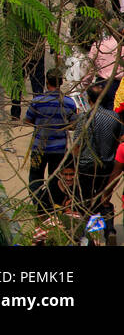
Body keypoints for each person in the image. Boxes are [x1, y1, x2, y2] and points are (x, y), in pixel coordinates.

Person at [72, 79, 123, 242]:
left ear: (89, 99)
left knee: (87, 201)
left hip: (86, 166)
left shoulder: (84, 118)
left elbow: (76, 147)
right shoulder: (114, 118)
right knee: (104, 198)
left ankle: (92, 235)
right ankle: (110, 231)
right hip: (106, 166)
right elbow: (120, 139)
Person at [26, 72, 77, 214]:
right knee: (55, 179)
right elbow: (73, 124)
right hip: (59, 150)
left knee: (35, 178)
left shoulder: (38, 101)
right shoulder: (68, 102)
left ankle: (39, 205)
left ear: (47, 82)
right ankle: (53, 206)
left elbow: (28, 120)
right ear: (60, 83)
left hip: (39, 149)